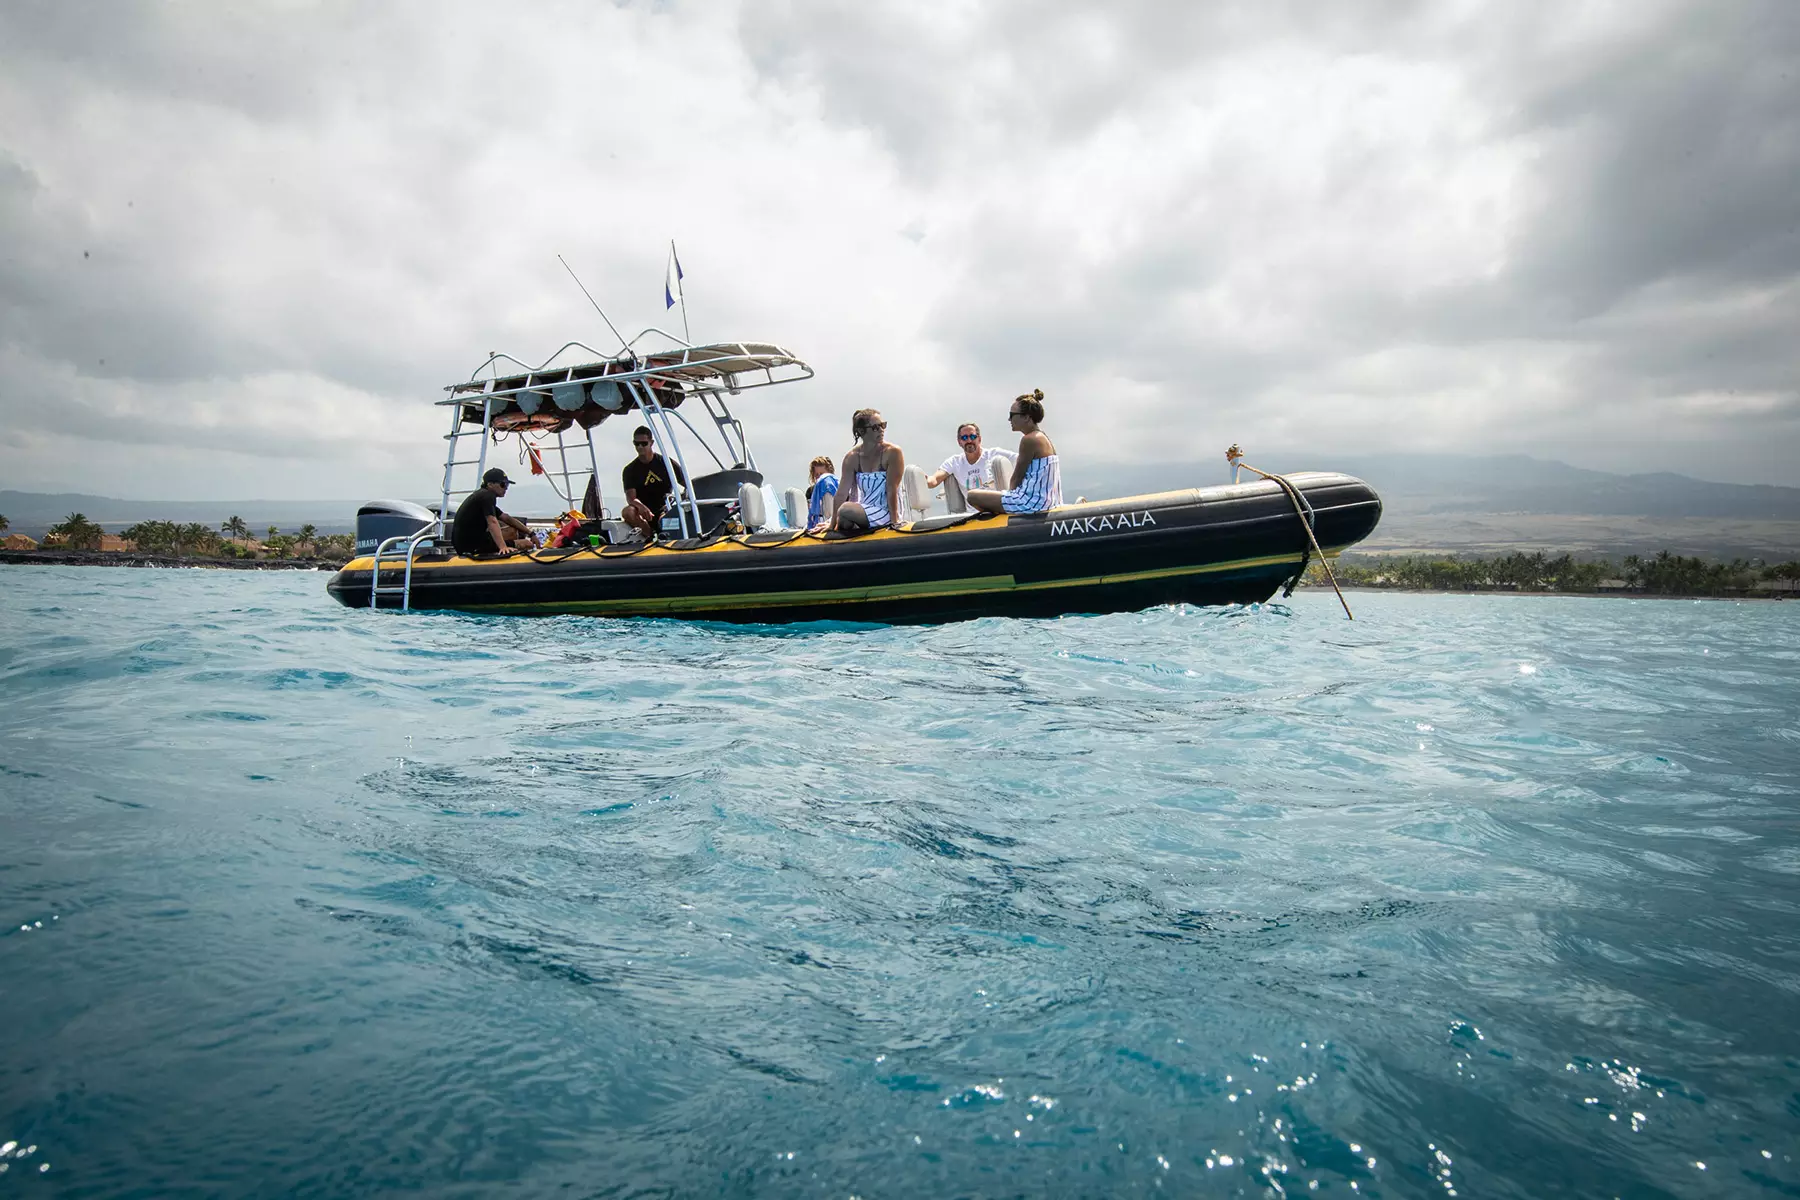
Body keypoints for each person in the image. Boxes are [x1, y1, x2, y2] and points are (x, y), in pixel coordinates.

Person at [968, 388, 1061, 515]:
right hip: (1048, 501)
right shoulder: (1042, 437)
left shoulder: (1029, 440)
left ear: (1026, 417)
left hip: (1032, 504)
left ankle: (1001, 521)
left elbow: (1016, 478)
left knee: (972, 496)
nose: (1009, 420)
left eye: (1012, 415)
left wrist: (1004, 499)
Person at [833, 408, 904, 533]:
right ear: (861, 431)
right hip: (866, 508)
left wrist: (895, 521)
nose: (881, 430)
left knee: (845, 510)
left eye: (883, 425)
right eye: (876, 427)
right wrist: (831, 526)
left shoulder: (892, 452)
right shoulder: (852, 457)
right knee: (844, 521)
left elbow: (891, 488)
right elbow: (841, 493)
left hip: (886, 510)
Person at [621, 425, 686, 540]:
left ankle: (666, 537)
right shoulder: (630, 470)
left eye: (644, 443)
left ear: (651, 442)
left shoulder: (666, 463)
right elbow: (631, 498)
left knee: (670, 517)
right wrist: (641, 507)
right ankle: (649, 537)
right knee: (627, 511)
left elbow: (687, 485)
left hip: (664, 509)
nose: (640, 447)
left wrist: (683, 499)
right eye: (637, 444)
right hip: (643, 513)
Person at [924, 421, 1004, 513]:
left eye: (973, 437)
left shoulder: (994, 454)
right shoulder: (954, 462)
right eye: (964, 438)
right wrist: (925, 480)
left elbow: (1022, 458)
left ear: (979, 439)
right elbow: (934, 480)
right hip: (973, 517)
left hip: (998, 512)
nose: (969, 441)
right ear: (959, 442)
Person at [451, 467, 531, 556]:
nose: (506, 489)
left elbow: (506, 518)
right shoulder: (488, 496)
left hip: (465, 542)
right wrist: (503, 547)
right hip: (472, 545)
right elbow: (492, 521)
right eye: (503, 484)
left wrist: (530, 533)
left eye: (507, 485)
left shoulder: (481, 496)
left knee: (512, 531)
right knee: (527, 544)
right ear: (490, 484)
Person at [804, 455, 839, 532]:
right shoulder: (810, 492)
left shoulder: (839, 490)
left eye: (822, 474)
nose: (820, 477)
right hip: (817, 524)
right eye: (817, 475)